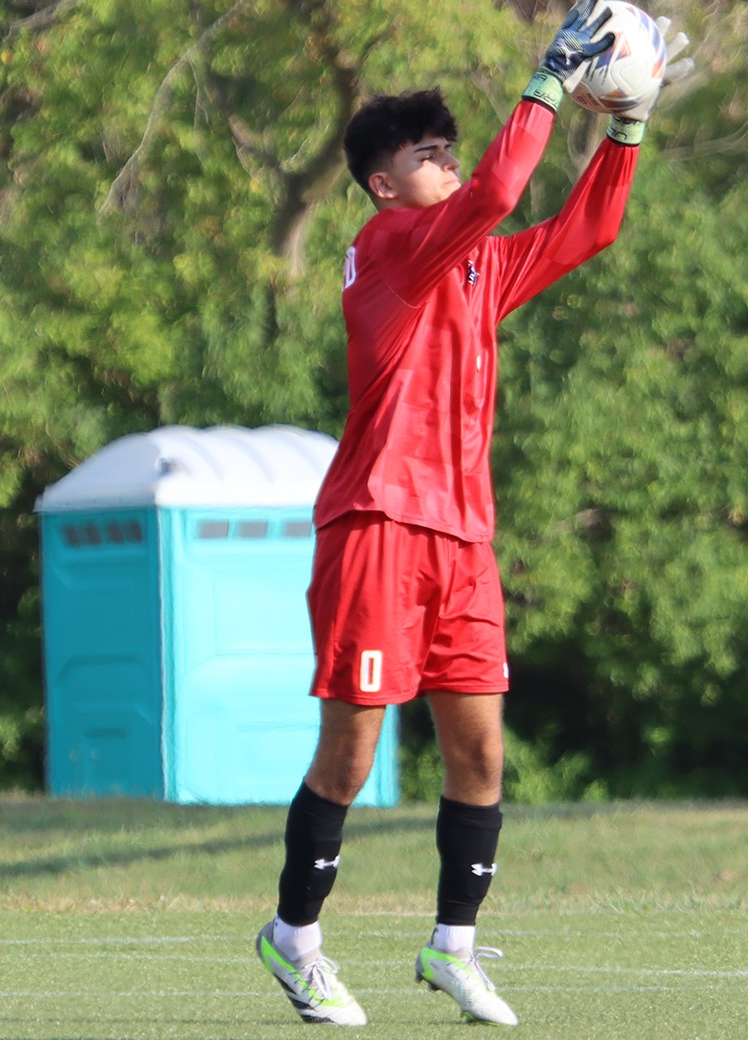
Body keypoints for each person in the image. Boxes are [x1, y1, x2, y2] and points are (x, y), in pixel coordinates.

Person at [253, 2, 691, 1028]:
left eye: (446, 148)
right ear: (381, 183)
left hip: (461, 538)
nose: (445, 161)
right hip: (377, 524)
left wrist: (628, 119)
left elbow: (591, 225)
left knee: (480, 754)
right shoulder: (394, 246)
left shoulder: (473, 266)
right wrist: (548, 77)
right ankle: (294, 936)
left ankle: (452, 946)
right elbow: (501, 187)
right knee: (352, 756)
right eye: (425, 152)